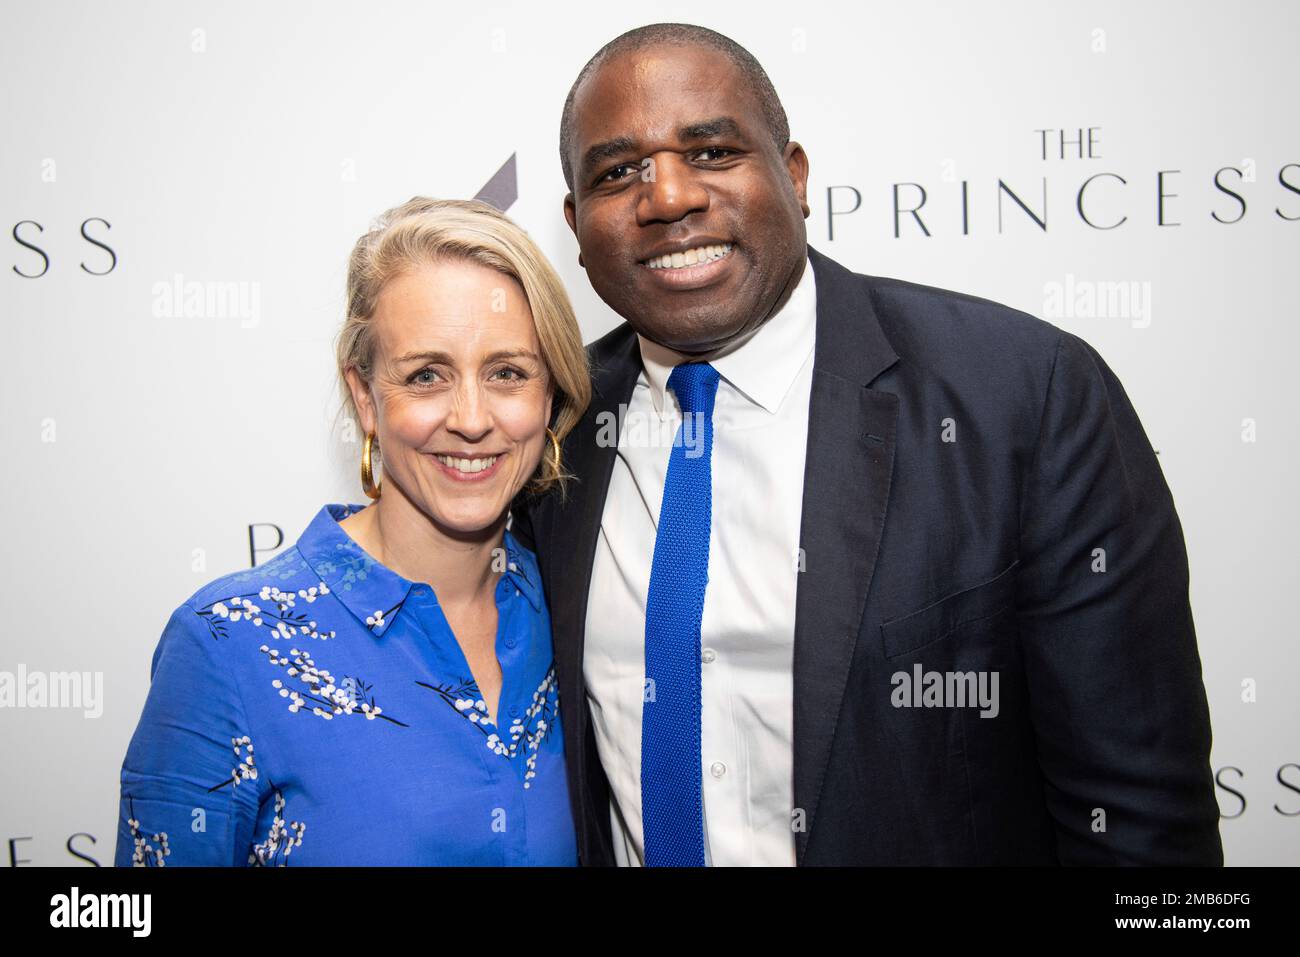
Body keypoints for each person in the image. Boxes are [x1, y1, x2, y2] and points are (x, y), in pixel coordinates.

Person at [511, 23, 1224, 866]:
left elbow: (1143, 819)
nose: (667, 196)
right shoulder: (546, 432)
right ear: (577, 224)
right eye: (618, 171)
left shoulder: (1025, 396)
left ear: (795, 175)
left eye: (710, 151)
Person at [116, 197, 590, 865]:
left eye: (507, 372)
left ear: (549, 395)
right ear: (366, 395)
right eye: (427, 375)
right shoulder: (228, 645)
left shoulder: (577, 612)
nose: (472, 417)